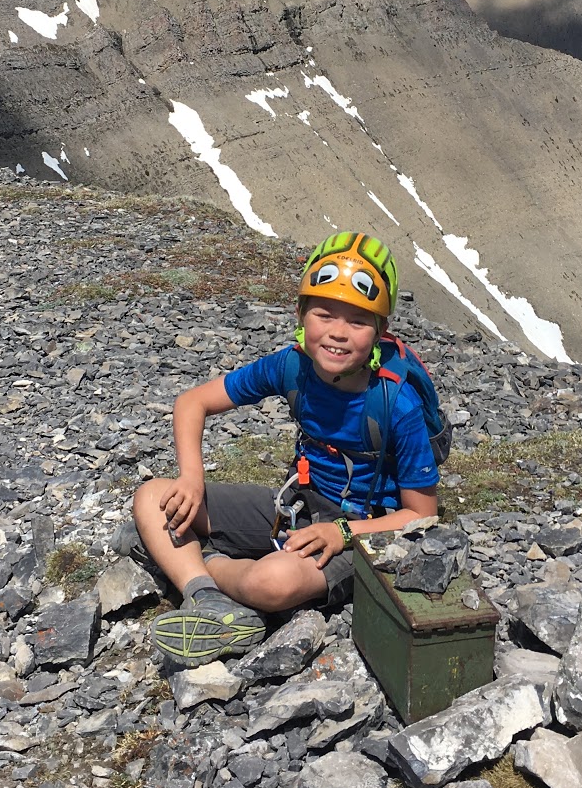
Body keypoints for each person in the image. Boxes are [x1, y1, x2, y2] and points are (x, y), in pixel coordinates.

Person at [131, 231, 440, 666]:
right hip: (298, 505)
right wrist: (192, 479)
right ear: (300, 313)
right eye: (324, 314)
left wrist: (342, 533)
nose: (337, 333)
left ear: (379, 331)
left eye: (357, 321)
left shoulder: (397, 403)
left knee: (272, 583)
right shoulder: (292, 366)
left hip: (363, 531)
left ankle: (202, 564)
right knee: (152, 497)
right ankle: (208, 598)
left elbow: (421, 516)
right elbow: (192, 402)